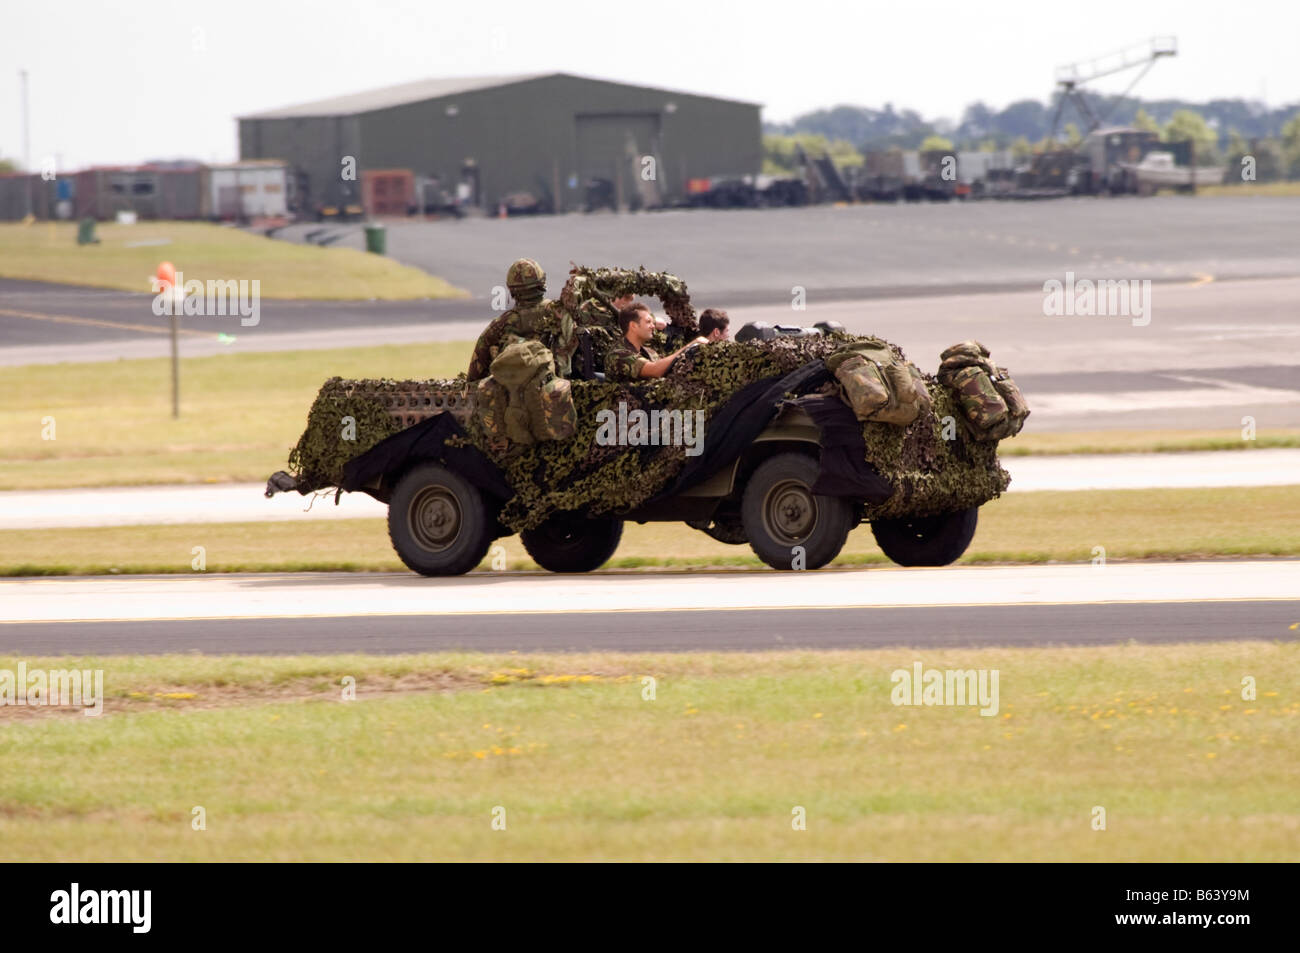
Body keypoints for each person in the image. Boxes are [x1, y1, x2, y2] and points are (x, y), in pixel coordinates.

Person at [467, 259, 577, 381]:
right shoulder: (562, 315)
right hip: (557, 393)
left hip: (511, 396)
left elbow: (474, 377)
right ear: (542, 283)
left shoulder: (499, 326)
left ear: (511, 289)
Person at [605, 303, 706, 381]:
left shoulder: (649, 352)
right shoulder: (618, 355)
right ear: (633, 326)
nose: (653, 326)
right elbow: (655, 370)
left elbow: (667, 369)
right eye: (648, 322)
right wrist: (689, 346)